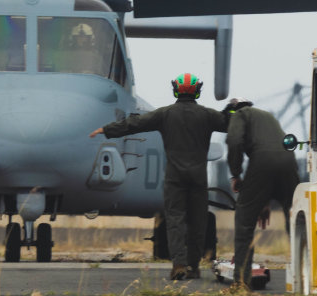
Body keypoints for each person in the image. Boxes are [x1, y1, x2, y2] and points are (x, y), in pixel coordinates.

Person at [90, 73, 229, 280]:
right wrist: (237, 110)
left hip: (175, 177)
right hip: (198, 177)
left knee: (175, 220)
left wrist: (107, 129)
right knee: (198, 222)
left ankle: (178, 264)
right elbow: (230, 123)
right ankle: (193, 266)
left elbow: (135, 124)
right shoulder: (208, 115)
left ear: (176, 90)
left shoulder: (165, 114)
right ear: (197, 91)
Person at [225, 99, 301, 289]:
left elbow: (234, 141)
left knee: (244, 221)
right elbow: (273, 153)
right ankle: (307, 275)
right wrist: (264, 201)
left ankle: (241, 281)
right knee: (296, 218)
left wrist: (235, 174)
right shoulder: (266, 116)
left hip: (262, 161)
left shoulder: (238, 114)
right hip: (289, 161)